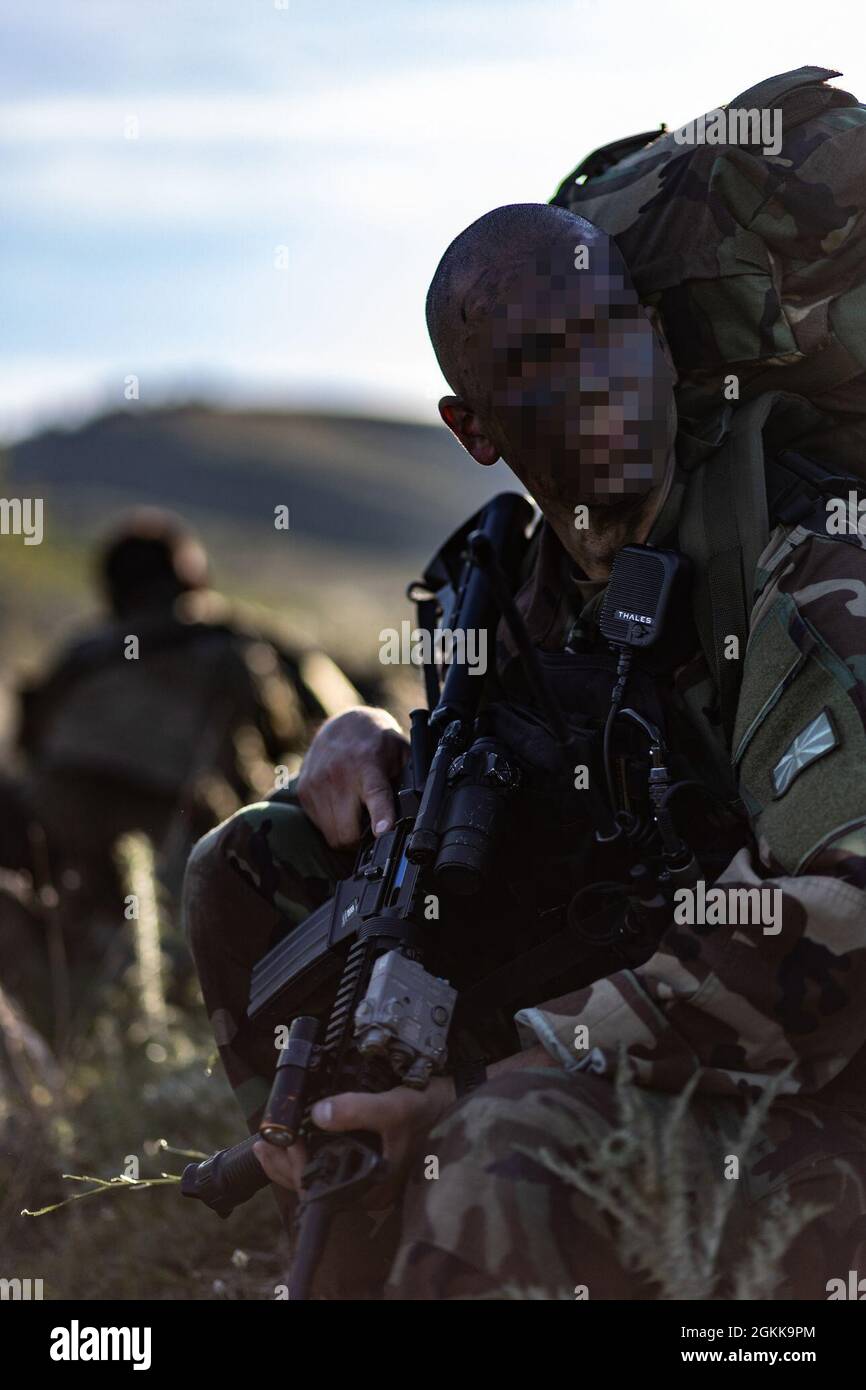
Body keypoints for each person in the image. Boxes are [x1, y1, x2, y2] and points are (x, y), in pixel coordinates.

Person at [184, 203, 866, 1300]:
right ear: (474, 426)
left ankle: (454, 1204)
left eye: (609, 331)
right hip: (640, 1039)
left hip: (824, 1097)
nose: (595, 376)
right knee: (248, 866)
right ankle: (352, 1187)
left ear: (653, 335)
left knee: (490, 1144)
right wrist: (362, 736)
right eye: (541, 359)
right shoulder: (508, 592)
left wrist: (504, 1072)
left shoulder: (802, 566)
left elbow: (845, 921)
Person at [18, 507, 360, 922]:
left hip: (67, 839)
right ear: (194, 581)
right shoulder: (241, 643)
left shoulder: (82, 657)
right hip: (195, 848)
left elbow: (27, 745)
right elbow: (340, 728)